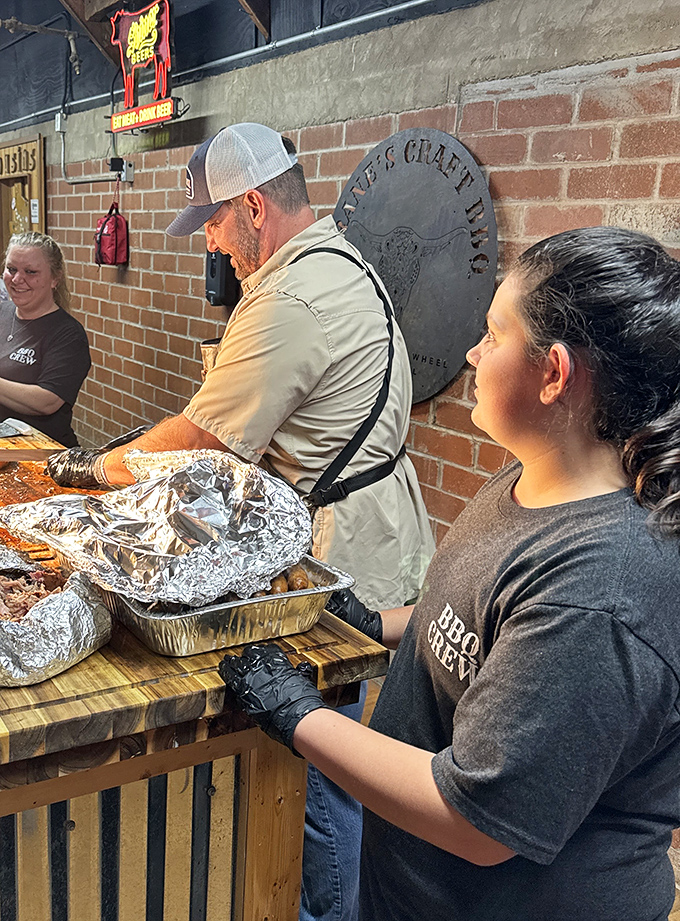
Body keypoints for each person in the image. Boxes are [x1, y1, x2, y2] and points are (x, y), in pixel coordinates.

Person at [219, 226, 680, 921]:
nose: (473, 353)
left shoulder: (601, 596)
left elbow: (476, 821)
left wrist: (297, 714)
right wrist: (375, 623)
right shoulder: (528, 481)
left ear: (555, 374)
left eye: (494, 334)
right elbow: (488, 630)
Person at [47, 122, 435, 921]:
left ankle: (321, 910)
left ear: (254, 206)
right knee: (331, 756)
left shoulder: (290, 298)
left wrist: (98, 469)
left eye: (215, 222)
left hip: (336, 548)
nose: (212, 243)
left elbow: (199, 443)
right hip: (376, 525)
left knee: (318, 770)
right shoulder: (337, 260)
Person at [0, 232, 91, 447]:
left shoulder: (68, 334)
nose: (17, 279)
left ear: (55, 279)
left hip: (42, 454)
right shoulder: (2, 312)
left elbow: (47, 401)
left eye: (30, 272)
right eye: (11, 269)